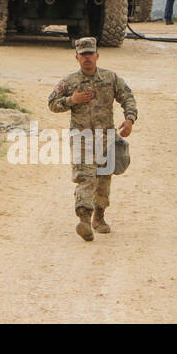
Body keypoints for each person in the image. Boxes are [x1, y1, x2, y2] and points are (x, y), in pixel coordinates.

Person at [48, 36, 137, 241]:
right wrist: (72, 100)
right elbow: (52, 103)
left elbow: (127, 97)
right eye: (83, 54)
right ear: (76, 57)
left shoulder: (110, 78)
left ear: (97, 55)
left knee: (104, 179)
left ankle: (100, 216)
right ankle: (84, 220)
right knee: (85, 177)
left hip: (106, 138)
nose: (87, 58)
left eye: (90, 54)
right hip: (82, 138)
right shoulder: (70, 82)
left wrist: (130, 119)